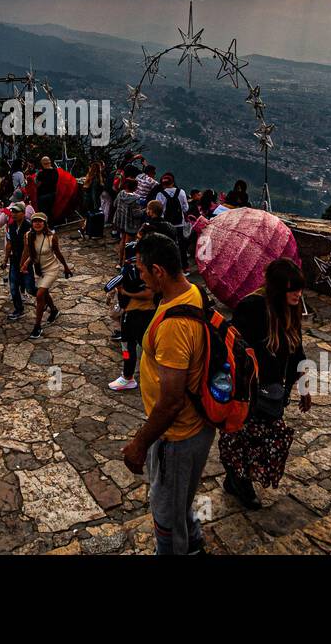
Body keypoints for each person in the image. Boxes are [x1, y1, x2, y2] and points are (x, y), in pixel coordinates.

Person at [121, 232, 213, 555]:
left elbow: (172, 400)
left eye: (144, 272)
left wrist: (140, 444)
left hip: (177, 437)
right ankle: (196, 545)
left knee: (166, 518)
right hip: (192, 429)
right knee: (181, 502)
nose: (141, 277)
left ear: (158, 271)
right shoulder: (190, 293)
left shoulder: (175, 325)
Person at [220, 258, 311, 511]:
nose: (298, 294)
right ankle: (241, 482)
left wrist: (303, 386)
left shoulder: (290, 310)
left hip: (274, 390)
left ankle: (236, 479)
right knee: (243, 439)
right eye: (292, 289)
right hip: (249, 390)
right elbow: (236, 348)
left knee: (266, 440)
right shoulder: (253, 307)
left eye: (299, 288)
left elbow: (297, 351)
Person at [108, 235, 155, 392]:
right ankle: (128, 375)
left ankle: (149, 376)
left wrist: (126, 293)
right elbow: (115, 285)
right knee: (127, 347)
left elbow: (149, 294)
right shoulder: (128, 270)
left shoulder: (147, 270)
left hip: (142, 314)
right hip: (129, 314)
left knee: (147, 347)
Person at [19, 212, 72, 339]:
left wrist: (65, 267)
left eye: (40, 221)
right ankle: (54, 310)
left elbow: (58, 253)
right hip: (40, 270)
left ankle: (37, 326)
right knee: (44, 291)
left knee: (40, 294)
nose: (37, 224)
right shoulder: (28, 236)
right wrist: (22, 266)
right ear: (32, 223)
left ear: (45, 223)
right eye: (35, 221)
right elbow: (26, 252)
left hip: (51, 269)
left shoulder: (51, 237)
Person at [2, 202, 36, 322]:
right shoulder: (11, 226)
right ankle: (18, 309)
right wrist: (5, 259)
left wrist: (26, 262)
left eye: (16, 212)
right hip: (15, 260)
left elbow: (31, 247)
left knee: (30, 287)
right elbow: (9, 244)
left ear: (23, 213)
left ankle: (45, 299)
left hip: (26, 261)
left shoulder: (29, 227)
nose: (14, 214)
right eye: (13, 212)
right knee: (13, 286)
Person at [155, 172, 190, 270]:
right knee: (181, 245)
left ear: (163, 183)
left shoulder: (160, 194)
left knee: (166, 244)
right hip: (179, 223)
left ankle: (168, 266)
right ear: (173, 182)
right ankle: (185, 266)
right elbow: (185, 208)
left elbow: (159, 211)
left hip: (166, 224)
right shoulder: (181, 192)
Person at [112, 176, 142, 262]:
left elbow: (114, 204)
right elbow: (136, 214)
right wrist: (144, 211)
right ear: (135, 187)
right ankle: (125, 264)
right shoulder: (136, 199)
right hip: (130, 224)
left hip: (120, 222)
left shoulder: (121, 194)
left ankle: (120, 261)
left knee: (122, 240)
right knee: (128, 244)